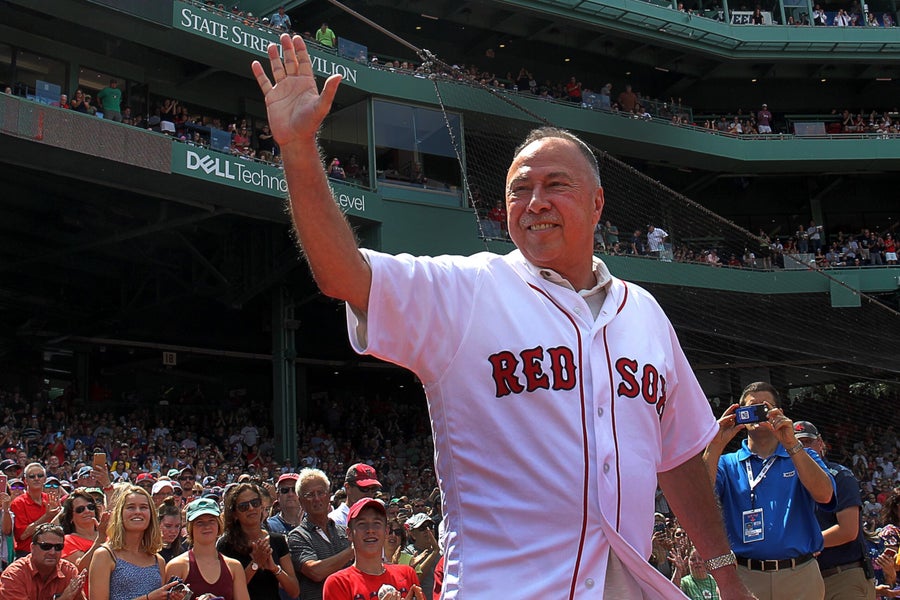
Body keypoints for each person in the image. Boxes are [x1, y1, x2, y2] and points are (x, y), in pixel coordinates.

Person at [252, 34, 752, 599]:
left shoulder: (645, 313)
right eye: (520, 190)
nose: (535, 201)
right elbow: (342, 275)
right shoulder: (471, 289)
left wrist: (727, 578)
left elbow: (680, 457)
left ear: (597, 203)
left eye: (555, 185)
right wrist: (297, 148)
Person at [704, 382, 836, 600]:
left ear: (779, 413)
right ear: (740, 415)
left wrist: (792, 442)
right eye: (751, 408)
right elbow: (701, 498)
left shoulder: (803, 457)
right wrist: (714, 445)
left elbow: (825, 495)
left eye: (764, 408)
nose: (758, 415)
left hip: (800, 575)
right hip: (745, 576)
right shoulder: (726, 463)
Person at [795, 421, 875, 600]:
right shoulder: (788, 483)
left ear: (820, 443)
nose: (803, 448)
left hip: (843, 576)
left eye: (808, 442)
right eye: (797, 444)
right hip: (805, 579)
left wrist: (804, 544)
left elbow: (847, 531)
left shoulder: (840, 476)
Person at [88, 485, 185, 600]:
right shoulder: (105, 555)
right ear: (120, 514)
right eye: (131, 507)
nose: (138, 512)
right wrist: (148, 598)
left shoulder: (158, 560)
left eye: (143, 507)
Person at [322, 498, 423, 600]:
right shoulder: (338, 583)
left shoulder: (407, 574)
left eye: (376, 523)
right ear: (349, 534)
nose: (370, 530)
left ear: (386, 531)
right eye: (362, 524)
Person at [218, 482, 299, 599]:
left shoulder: (278, 541)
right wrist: (255, 564)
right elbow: (228, 591)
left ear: (262, 507)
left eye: (255, 503)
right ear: (235, 514)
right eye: (244, 506)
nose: (251, 508)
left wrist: (275, 569)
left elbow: (294, 591)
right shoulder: (226, 545)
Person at [286, 469, 352, 600]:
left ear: (329, 496)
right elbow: (315, 572)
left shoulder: (343, 531)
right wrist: (353, 551)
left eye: (320, 493)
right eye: (310, 495)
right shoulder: (297, 536)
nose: (316, 499)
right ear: (301, 501)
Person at [166, 498, 250, 600]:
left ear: (219, 525)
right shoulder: (177, 566)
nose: (206, 526)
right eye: (200, 522)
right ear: (190, 528)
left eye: (211, 521)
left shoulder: (234, 567)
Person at [0, 523, 86, 600]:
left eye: (58, 547)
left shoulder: (68, 571)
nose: (52, 552)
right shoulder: (14, 575)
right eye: (46, 546)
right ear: (32, 548)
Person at [10, 462, 59, 558]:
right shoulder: (18, 503)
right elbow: (23, 535)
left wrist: (58, 514)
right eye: (32, 476)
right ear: (26, 481)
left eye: (40, 476)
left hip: (51, 551)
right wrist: (47, 516)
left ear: (44, 479)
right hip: (27, 553)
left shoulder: (50, 499)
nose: (36, 478)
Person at [61, 488, 110, 572]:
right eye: (80, 509)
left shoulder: (108, 535)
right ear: (71, 517)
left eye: (90, 507)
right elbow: (81, 568)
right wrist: (101, 539)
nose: (87, 511)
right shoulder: (67, 541)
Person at [328, 463, 381, 527]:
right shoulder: (335, 520)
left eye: (373, 489)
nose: (369, 493)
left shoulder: (378, 518)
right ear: (348, 487)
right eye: (364, 488)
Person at [158, 497, 187, 562]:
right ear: (158, 524)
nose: (173, 531)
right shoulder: (149, 553)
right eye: (168, 526)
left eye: (177, 526)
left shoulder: (182, 552)